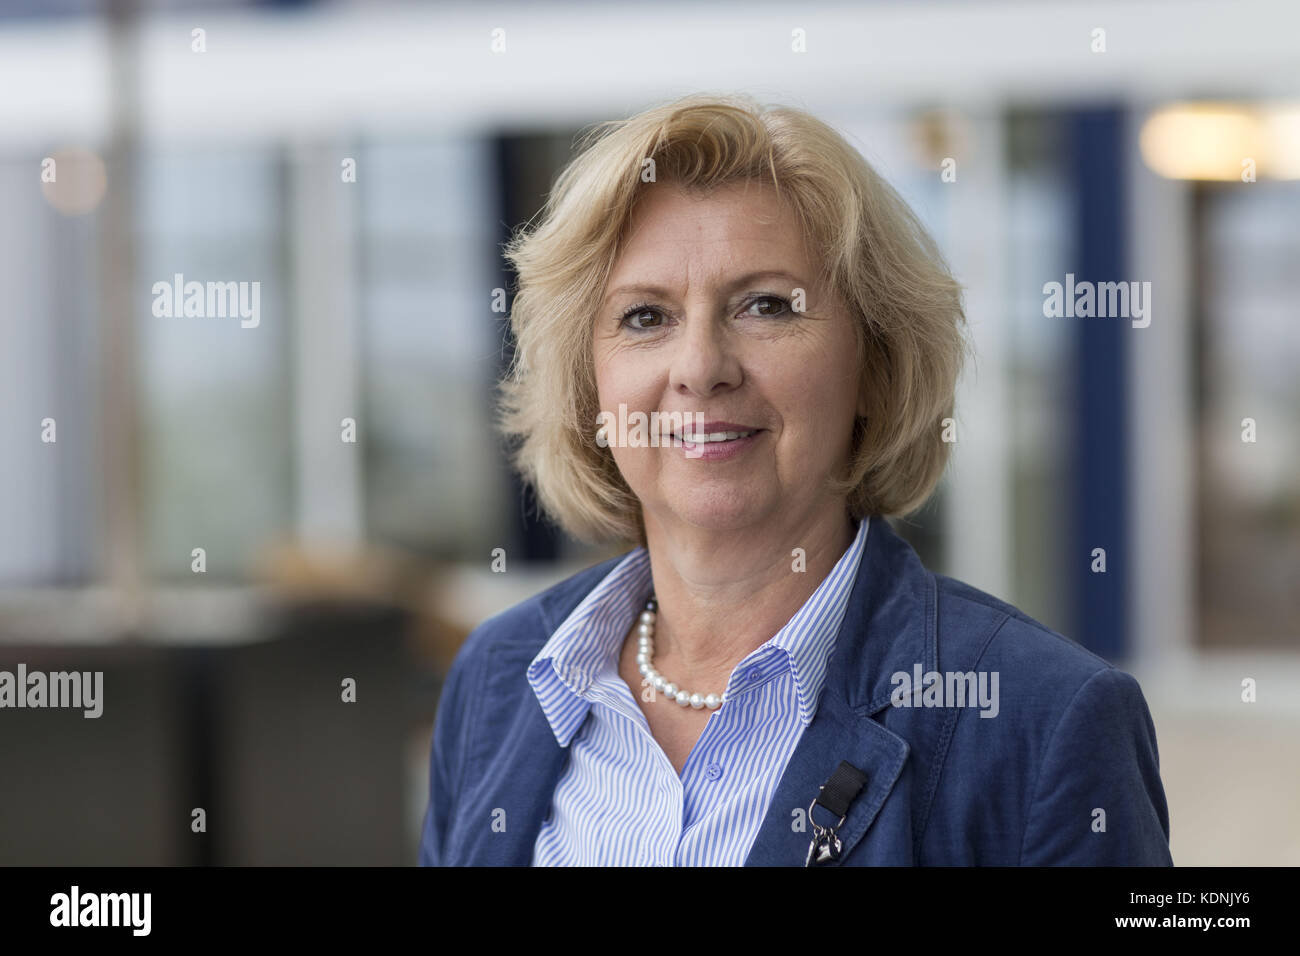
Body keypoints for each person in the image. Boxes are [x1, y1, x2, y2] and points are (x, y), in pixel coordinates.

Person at [419, 92, 1173, 866]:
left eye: (767, 306)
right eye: (645, 316)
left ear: (874, 369)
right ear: (588, 385)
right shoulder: (501, 674)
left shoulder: (1044, 719)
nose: (701, 368)